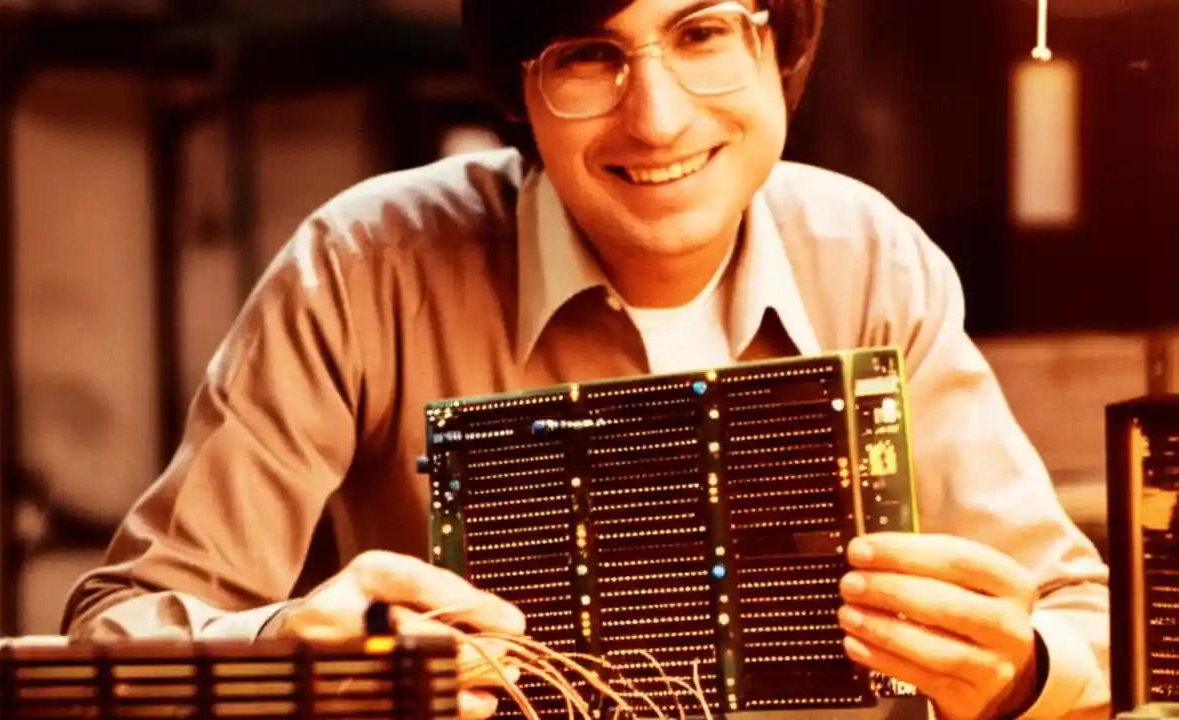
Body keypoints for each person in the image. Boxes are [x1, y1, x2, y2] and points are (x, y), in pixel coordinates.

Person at [61, 0, 1111, 718]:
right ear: (518, 92)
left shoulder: (867, 255)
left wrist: (1015, 672)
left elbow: (1085, 625)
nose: (654, 119)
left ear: (777, 51)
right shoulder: (362, 265)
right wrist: (290, 656)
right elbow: (113, 635)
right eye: (587, 55)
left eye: (700, 31)